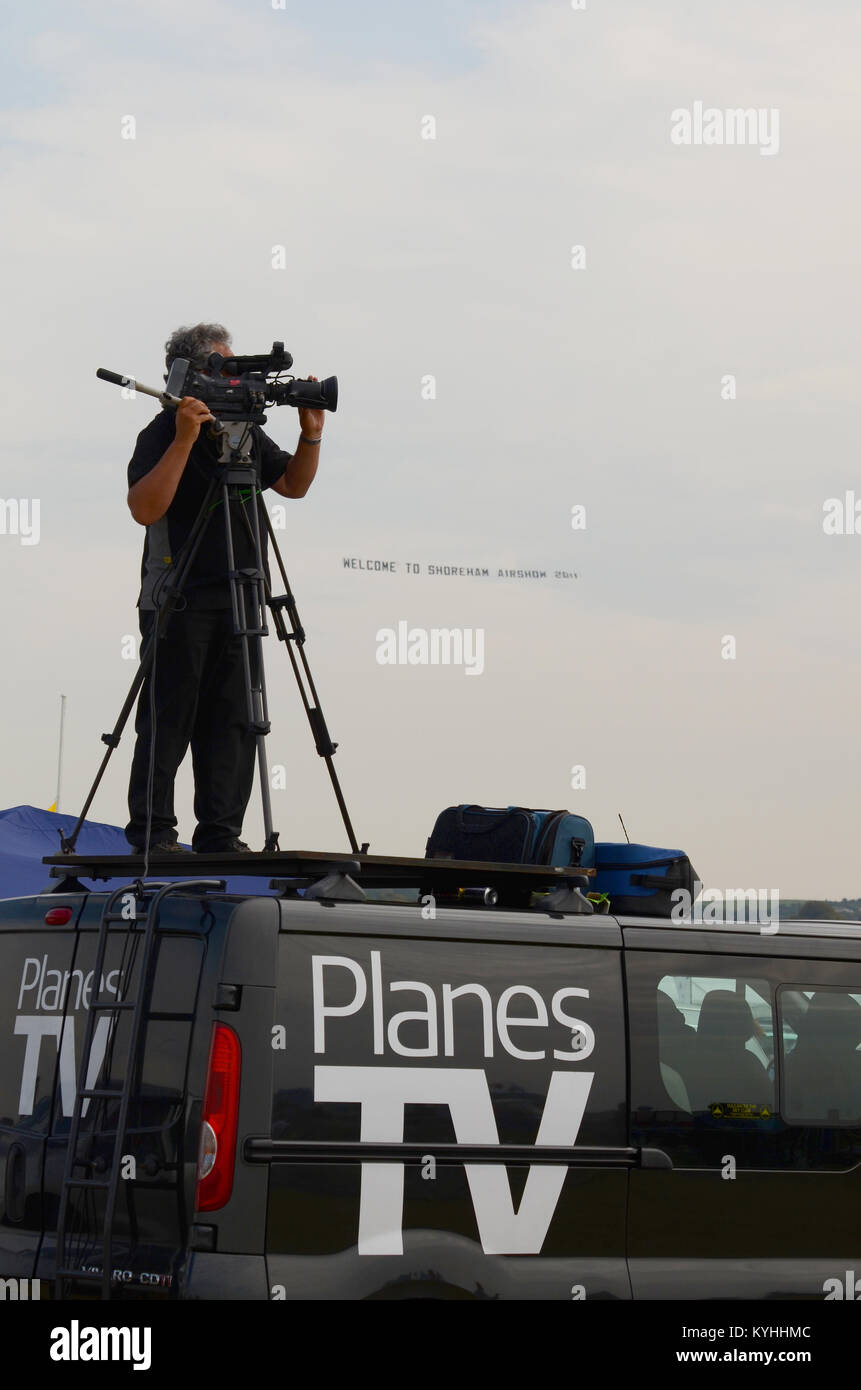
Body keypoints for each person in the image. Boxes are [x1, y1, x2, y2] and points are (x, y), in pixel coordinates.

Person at [124, 322, 324, 854]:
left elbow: (294, 485)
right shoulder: (163, 430)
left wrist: (311, 432)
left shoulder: (243, 432)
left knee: (233, 720)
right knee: (169, 718)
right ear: (191, 373)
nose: (234, 380)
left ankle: (220, 833)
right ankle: (153, 833)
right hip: (179, 597)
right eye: (224, 367)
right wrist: (186, 438)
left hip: (240, 594)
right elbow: (145, 508)